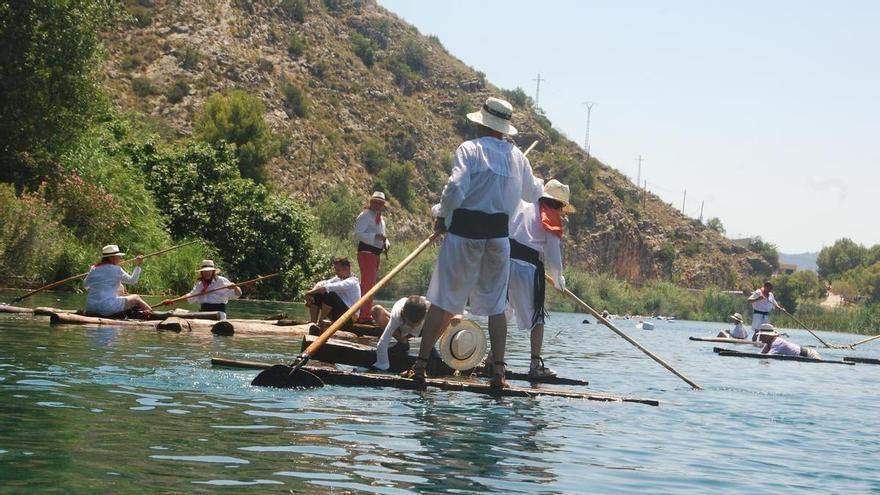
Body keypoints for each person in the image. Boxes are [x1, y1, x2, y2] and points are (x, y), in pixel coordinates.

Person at [401, 96, 544, 389]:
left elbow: (455, 187)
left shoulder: (470, 149)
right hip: (498, 239)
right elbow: (533, 194)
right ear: (504, 129)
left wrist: (443, 216)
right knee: (495, 305)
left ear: (481, 124)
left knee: (442, 300)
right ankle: (499, 373)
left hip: (464, 235)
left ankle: (420, 366)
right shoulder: (518, 157)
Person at [504, 179, 575, 379]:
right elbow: (553, 255)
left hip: (504, 263)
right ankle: (535, 365)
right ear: (559, 205)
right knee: (538, 318)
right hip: (526, 269)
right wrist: (558, 278)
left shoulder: (523, 206)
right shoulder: (550, 217)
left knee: (504, 310)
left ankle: (494, 359)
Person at [83, 244, 151, 317]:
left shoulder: (93, 269)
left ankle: (122, 311)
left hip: (91, 308)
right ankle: (151, 312)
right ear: (111, 258)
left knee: (121, 288)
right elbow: (133, 281)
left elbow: (85, 286)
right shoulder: (116, 269)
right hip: (106, 308)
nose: (120, 258)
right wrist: (138, 265)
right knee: (136, 298)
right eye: (118, 256)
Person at [353, 191, 389, 324]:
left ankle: (365, 314)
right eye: (376, 202)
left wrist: (386, 243)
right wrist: (375, 237)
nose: (378, 205)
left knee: (370, 285)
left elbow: (382, 235)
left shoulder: (380, 218)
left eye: (380, 203)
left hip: (375, 254)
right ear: (371, 202)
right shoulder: (364, 216)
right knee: (368, 285)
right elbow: (357, 235)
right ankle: (363, 315)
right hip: (366, 253)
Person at [166, 260, 241, 318]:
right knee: (178, 311)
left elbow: (238, 294)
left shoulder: (221, 281)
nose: (207, 273)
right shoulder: (200, 284)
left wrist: (235, 287)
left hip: (218, 313)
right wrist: (172, 301)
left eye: (209, 271)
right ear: (202, 273)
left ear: (213, 272)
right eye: (205, 271)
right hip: (203, 313)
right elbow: (190, 297)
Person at [304, 257, 360, 330]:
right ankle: (313, 322)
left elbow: (326, 288)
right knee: (317, 294)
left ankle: (320, 323)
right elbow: (321, 283)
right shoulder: (338, 278)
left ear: (347, 269)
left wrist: (307, 293)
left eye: (338, 270)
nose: (336, 272)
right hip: (338, 313)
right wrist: (310, 295)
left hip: (350, 317)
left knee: (330, 294)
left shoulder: (352, 282)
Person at [756, 324, 821, 359]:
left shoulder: (777, 343)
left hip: (810, 355)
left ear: (768, 336)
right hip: (802, 356)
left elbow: (768, 356)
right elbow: (760, 354)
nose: (760, 338)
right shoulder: (768, 343)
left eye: (761, 336)